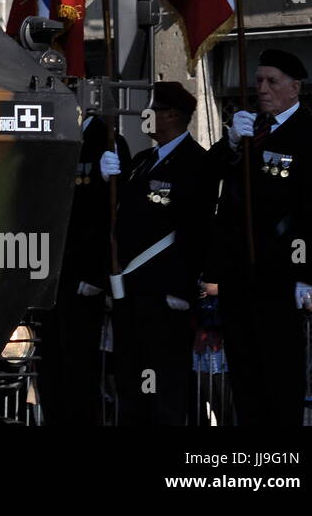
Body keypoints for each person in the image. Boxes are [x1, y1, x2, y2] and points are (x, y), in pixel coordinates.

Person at [202, 48, 312, 426]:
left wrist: (304, 272)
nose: (262, 88)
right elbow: (208, 180)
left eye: (271, 81)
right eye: (258, 80)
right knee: (244, 372)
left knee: (278, 373)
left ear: (294, 88)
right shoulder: (250, 130)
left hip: (279, 274)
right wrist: (229, 142)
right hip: (238, 273)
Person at [99, 82, 219, 425]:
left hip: (164, 296)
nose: (144, 115)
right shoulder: (141, 161)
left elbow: (196, 231)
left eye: (151, 108)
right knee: (131, 382)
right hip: (131, 293)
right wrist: (108, 182)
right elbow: (123, 220)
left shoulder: (196, 162)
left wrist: (179, 289)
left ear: (172, 115)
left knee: (163, 386)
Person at [38, 108, 129, 425]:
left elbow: (109, 220)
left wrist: (96, 275)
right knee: (50, 364)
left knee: (79, 366)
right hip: (49, 274)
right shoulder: (54, 134)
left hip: (81, 278)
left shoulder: (105, 141)